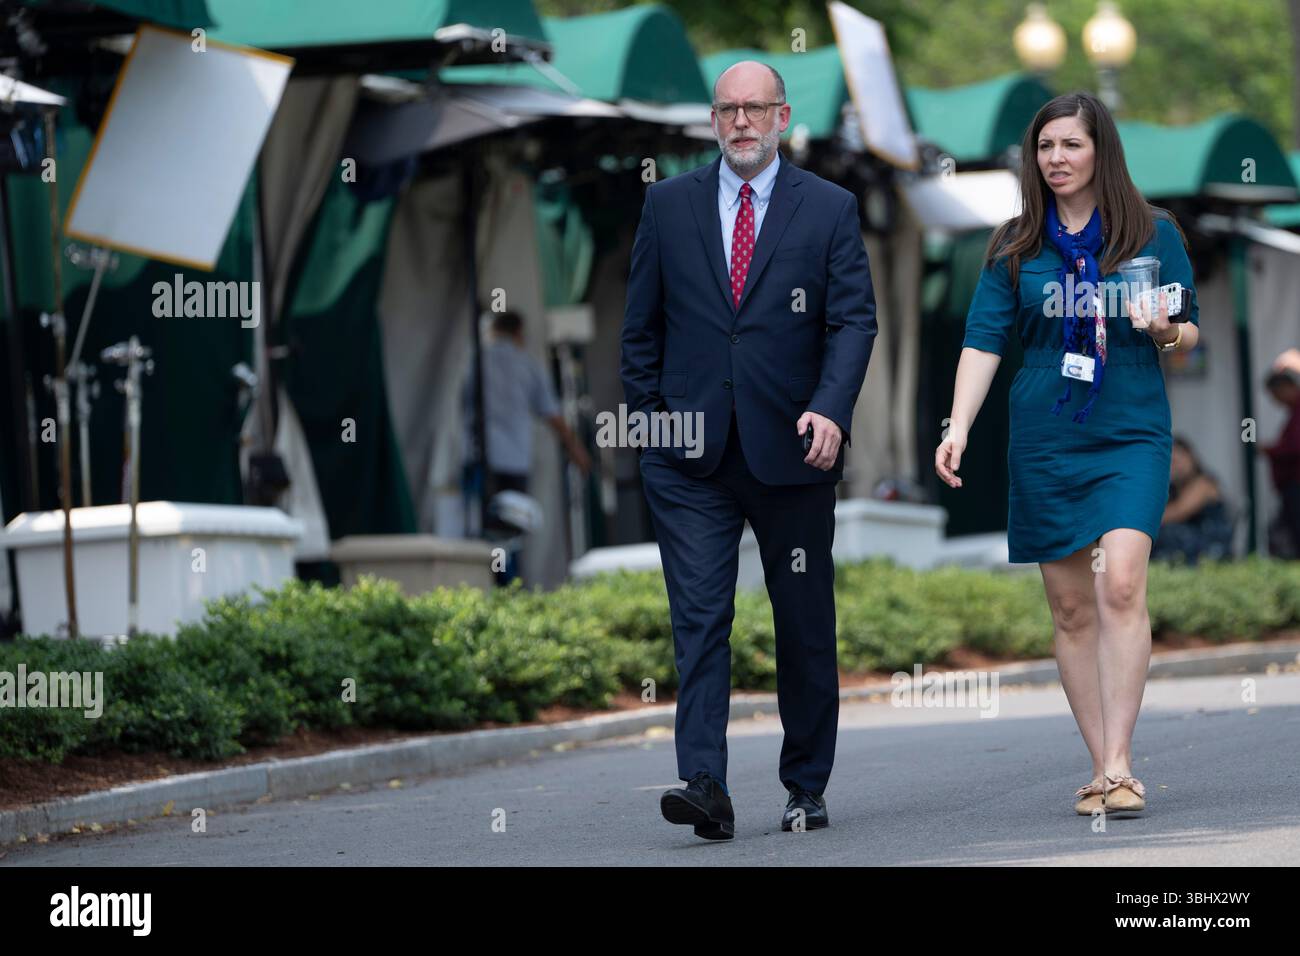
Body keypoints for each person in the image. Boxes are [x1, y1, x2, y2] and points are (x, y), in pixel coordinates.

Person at [622, 61, 876, 840]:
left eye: (754, 109)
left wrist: (830, 411)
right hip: (688, 460)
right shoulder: (667, 206)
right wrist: (650, 429)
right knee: (699, 619)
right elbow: (641, 329)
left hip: (793, 452)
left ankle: (805, 786)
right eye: (727, 110)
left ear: (782, 117)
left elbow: (853, 323)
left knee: (802, 623)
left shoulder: (828, 209)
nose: (740, 122)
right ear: (713, 119)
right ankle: (705, 784)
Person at [934, 91, 1200, 817]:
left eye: (1071, 146)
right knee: (1071, 606)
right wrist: (957, 426)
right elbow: (983, 341)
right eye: (1045, 147)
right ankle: (1098, 764)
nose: (1056, 159)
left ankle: (1119, 765)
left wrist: (1163, 329)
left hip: (1132, 423)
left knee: (1120, 582)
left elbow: (1189, 332)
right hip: (1047, 430)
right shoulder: (1016, 244)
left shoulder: (1153, 234)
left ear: (1099, 151)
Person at [462, 310, 591, 583]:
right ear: (519, 332)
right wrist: (576, 449)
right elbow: (552, 414)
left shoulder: (473, 360)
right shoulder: (527, 364)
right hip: (514, 462)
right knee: (512, 533)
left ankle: (486, 587)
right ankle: (509, 588)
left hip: (480, 461)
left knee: (481, 532)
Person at [1152, 436, 1232, 564]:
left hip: (1211, 548)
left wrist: (1143, 522)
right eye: (1170, 462)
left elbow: (1179, 512)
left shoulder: (1204, 483)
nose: (1175, 467)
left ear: (1191, 458)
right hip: (1190, 549)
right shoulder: (1172, 489)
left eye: (1178, 461)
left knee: (1164, 533)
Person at [1262, 362, 1300, 556]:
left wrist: (1267, 450)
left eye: (1275, 394)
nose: (1275, 400)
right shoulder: (1293, 411)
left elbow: (1294, 447)